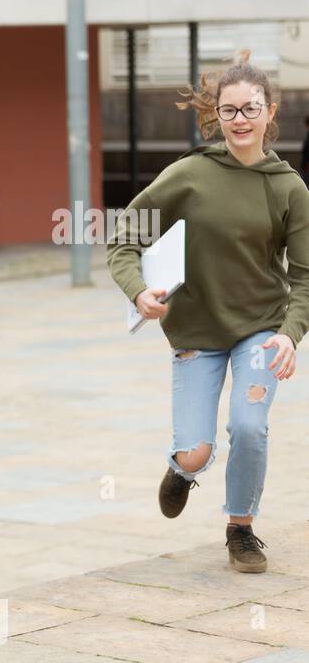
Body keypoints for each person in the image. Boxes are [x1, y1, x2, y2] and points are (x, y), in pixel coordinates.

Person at [108, 58, 309, 573]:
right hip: (197, 331)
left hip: (260, 330)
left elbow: (305, 276)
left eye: (250, 109)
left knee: (248, 426)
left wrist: (290, 335)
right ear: (216, 115)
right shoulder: (190, 174)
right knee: (197, 451)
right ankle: (182, 469)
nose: (240, 119)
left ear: (270, 112)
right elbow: (124, 236)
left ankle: (240, 530)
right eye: (229, 110)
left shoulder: (289, 189)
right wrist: (138, 293)